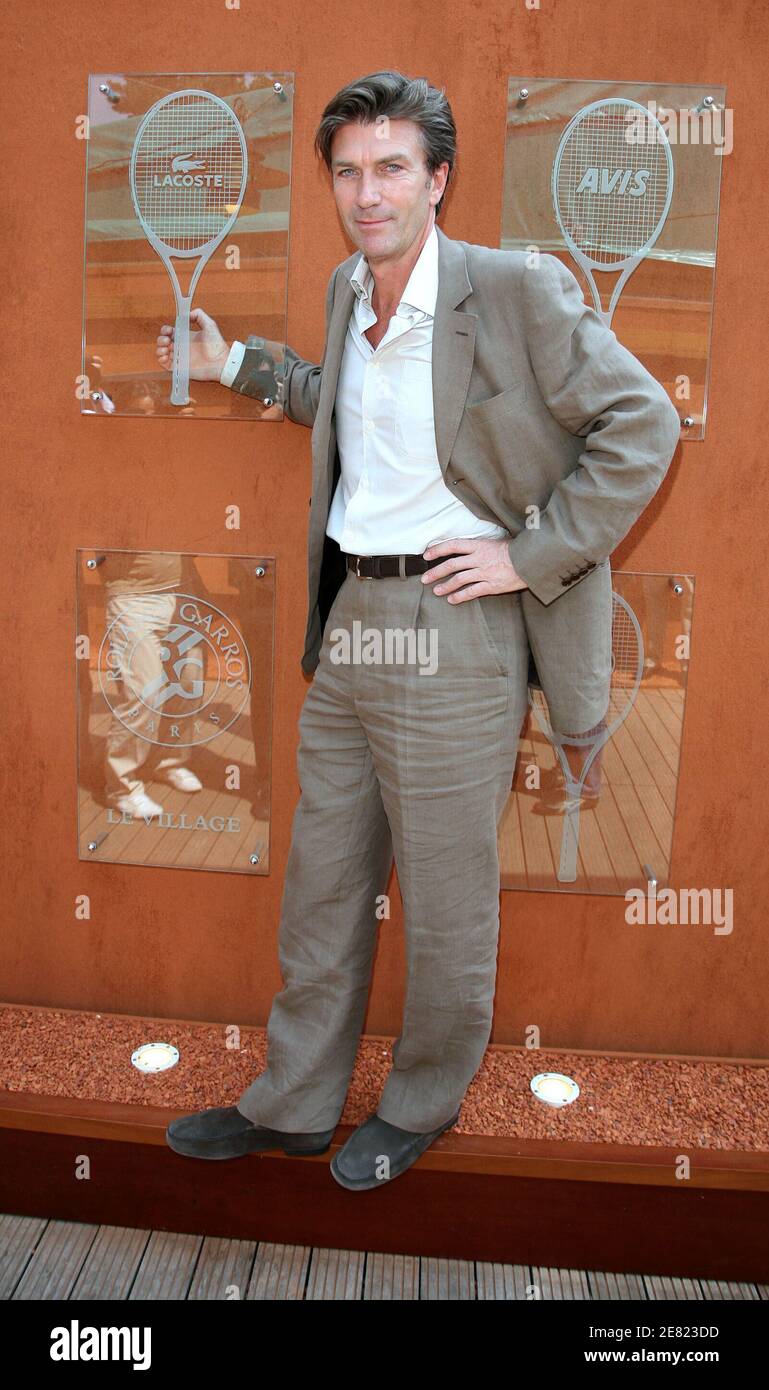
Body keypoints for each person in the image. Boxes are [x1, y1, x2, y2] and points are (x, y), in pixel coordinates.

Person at [163, 71, 681, 1190]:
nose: (368, 190)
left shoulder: (511, 288)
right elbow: (347, 408)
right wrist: (240, 367)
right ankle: (296, 1102)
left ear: (437, 178)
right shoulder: (352, 288)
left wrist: (527, 555)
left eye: (392, 166)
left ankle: (419, 1100)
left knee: (446, 895)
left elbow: (644, 421)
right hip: (352, 617)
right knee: (323, 882)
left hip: (457, 627)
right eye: (348, 170)